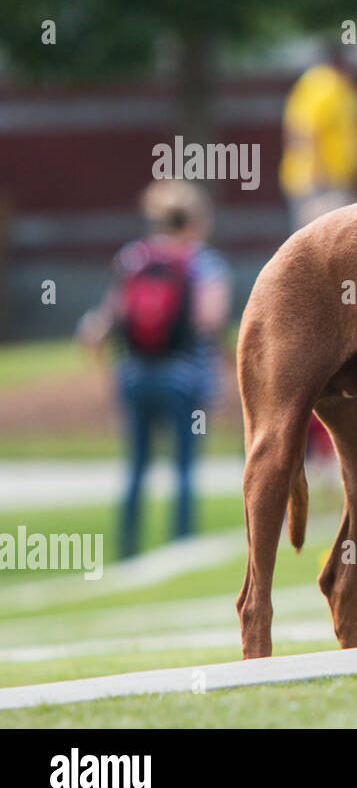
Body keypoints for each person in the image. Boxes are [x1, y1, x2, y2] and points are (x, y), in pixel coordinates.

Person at [78, 178, 232, 558]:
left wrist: (104, 373)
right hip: (186, 376)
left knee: (136, 466)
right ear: (196, 218)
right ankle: (181, 548)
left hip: (135, 374)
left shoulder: (134, 258)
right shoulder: (204, 261)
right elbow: (210, 320)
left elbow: (107, 320)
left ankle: (127, 550)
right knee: (183, 467)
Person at [279, 46, 357, 230]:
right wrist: (316, 174)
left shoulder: (343, 89)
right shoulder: (321, 83)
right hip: (318, 181)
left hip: (335, 178)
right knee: (316, 238)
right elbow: (304, 131)